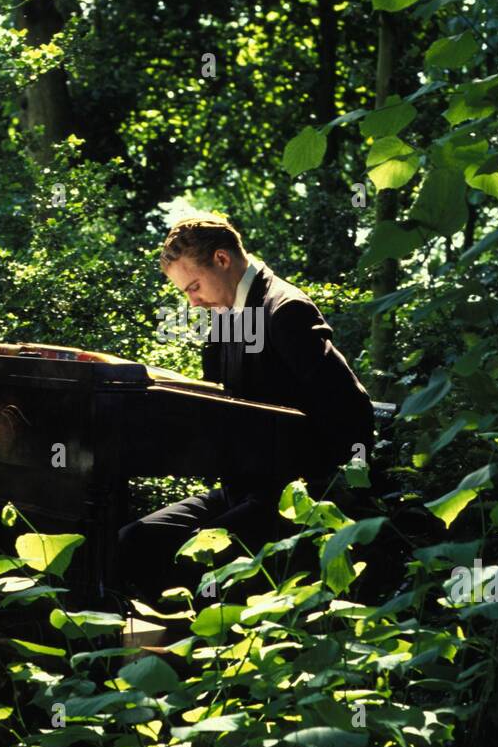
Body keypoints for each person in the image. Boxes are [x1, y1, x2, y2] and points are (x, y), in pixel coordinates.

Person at [114, 215, 375, 607]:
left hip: (295, 495)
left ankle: (214, 650)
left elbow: (353, 411)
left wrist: (327, 492)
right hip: (242, 489)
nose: (193, 302)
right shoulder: (226, 317)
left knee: (200, 559)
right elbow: (220, 406)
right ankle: (180, 647)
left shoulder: (285, 310)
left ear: (222, 259)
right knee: (136, 540)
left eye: (194, 287)